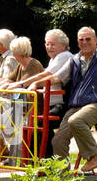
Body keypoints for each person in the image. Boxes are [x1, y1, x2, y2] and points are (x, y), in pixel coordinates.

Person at [52, 6, 97, 172]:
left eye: (88, 39)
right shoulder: (74, 60)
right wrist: (29, 83)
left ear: (96, 41)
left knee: (75, 120)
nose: (84, 42)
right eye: (81, 40)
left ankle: (95, 155)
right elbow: (56, 77)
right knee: (58, 141)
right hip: (77, 106)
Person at [17, 29, 75, 157]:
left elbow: (47, 75)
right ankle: (44, 160)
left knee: (39, 125)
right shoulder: (54, 59)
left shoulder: (64, 56)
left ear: (63, 45)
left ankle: (45, 161)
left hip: (64, 105)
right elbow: (46, 75)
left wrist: (24, 84)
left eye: (52, 44)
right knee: (36, 126)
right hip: (53, 104)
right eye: (47, 44)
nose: (49, 47)